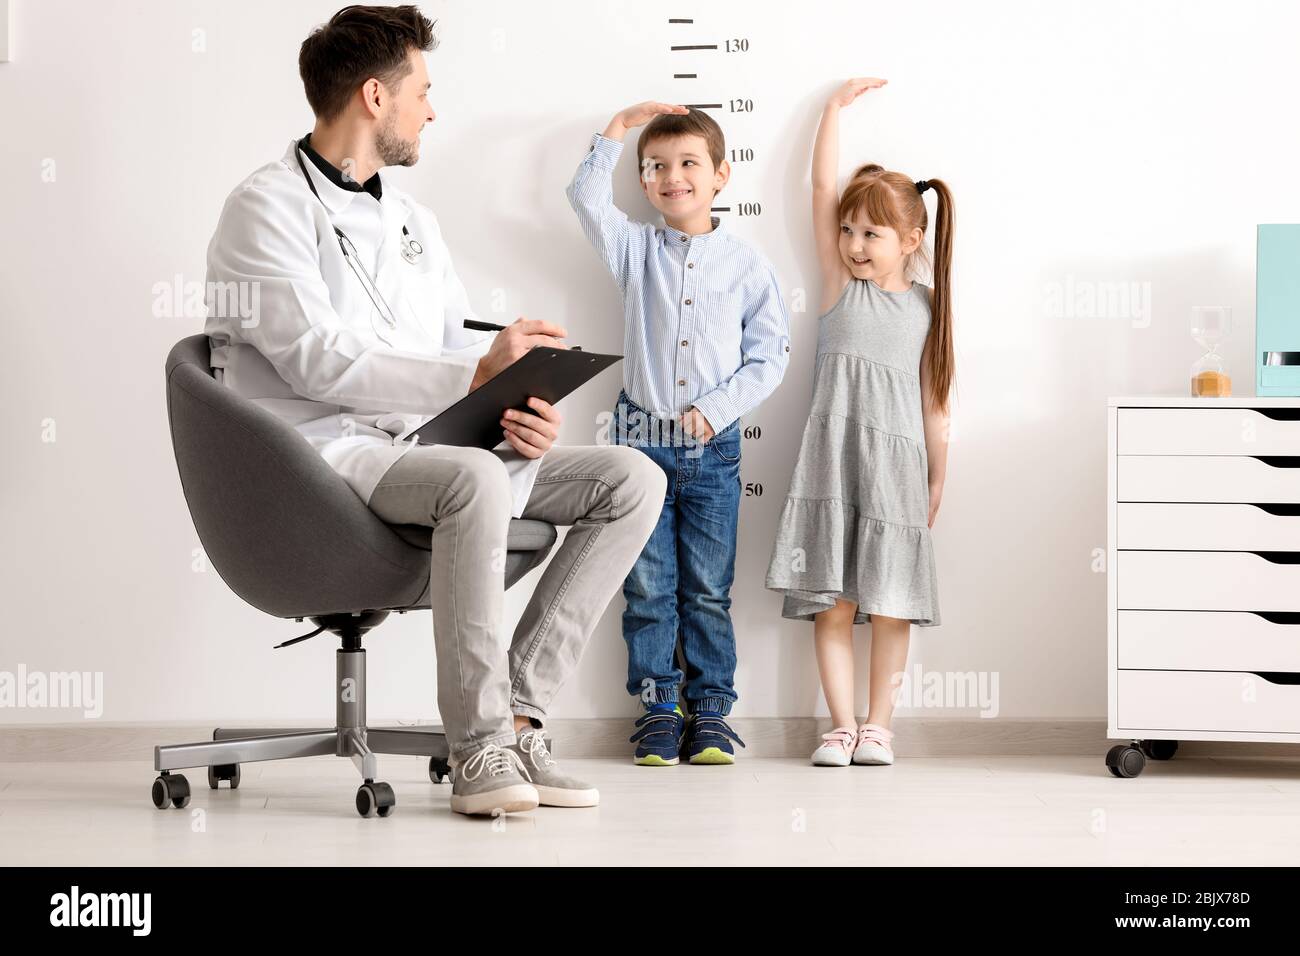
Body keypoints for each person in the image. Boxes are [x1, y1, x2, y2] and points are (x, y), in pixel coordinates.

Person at [203, 5, 664, 815]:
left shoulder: (415, 219)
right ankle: (477, 748)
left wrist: (517, 410)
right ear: (376, 97)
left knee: (629, 480)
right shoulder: (264, 208)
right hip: (320, 460)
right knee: (473, 481)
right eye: (423, 90)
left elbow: (458, 347)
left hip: (421, 446)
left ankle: (519, 716)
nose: (433, 110)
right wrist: (469, 376)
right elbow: (315, 356)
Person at [567, 103, 790, 766]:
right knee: (648, 579)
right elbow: (583, 196)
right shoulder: (634, 248)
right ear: (643, 181)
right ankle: (660, 707)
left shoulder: (747, 266)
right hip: (638, 434)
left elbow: (769, 355)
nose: (672, 176)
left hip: (712, 448)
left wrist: (719, 407)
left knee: (706, 585)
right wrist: (615, 130)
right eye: (656, 166)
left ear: (721, 175)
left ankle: (712, 711)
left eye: (689, 163)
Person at [765, 77, 954, 768]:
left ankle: (881, 726)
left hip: (898, 467)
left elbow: (935, 401)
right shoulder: (840, 287)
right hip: (833, 460)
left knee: (892, 602)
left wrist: (939, 472)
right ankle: (840, 726)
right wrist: (830, 111)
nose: (852, 243)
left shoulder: (929, 309)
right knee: (835, 603)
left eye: (870, 233)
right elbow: (820, 193)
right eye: (848, 231)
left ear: (910, 239)